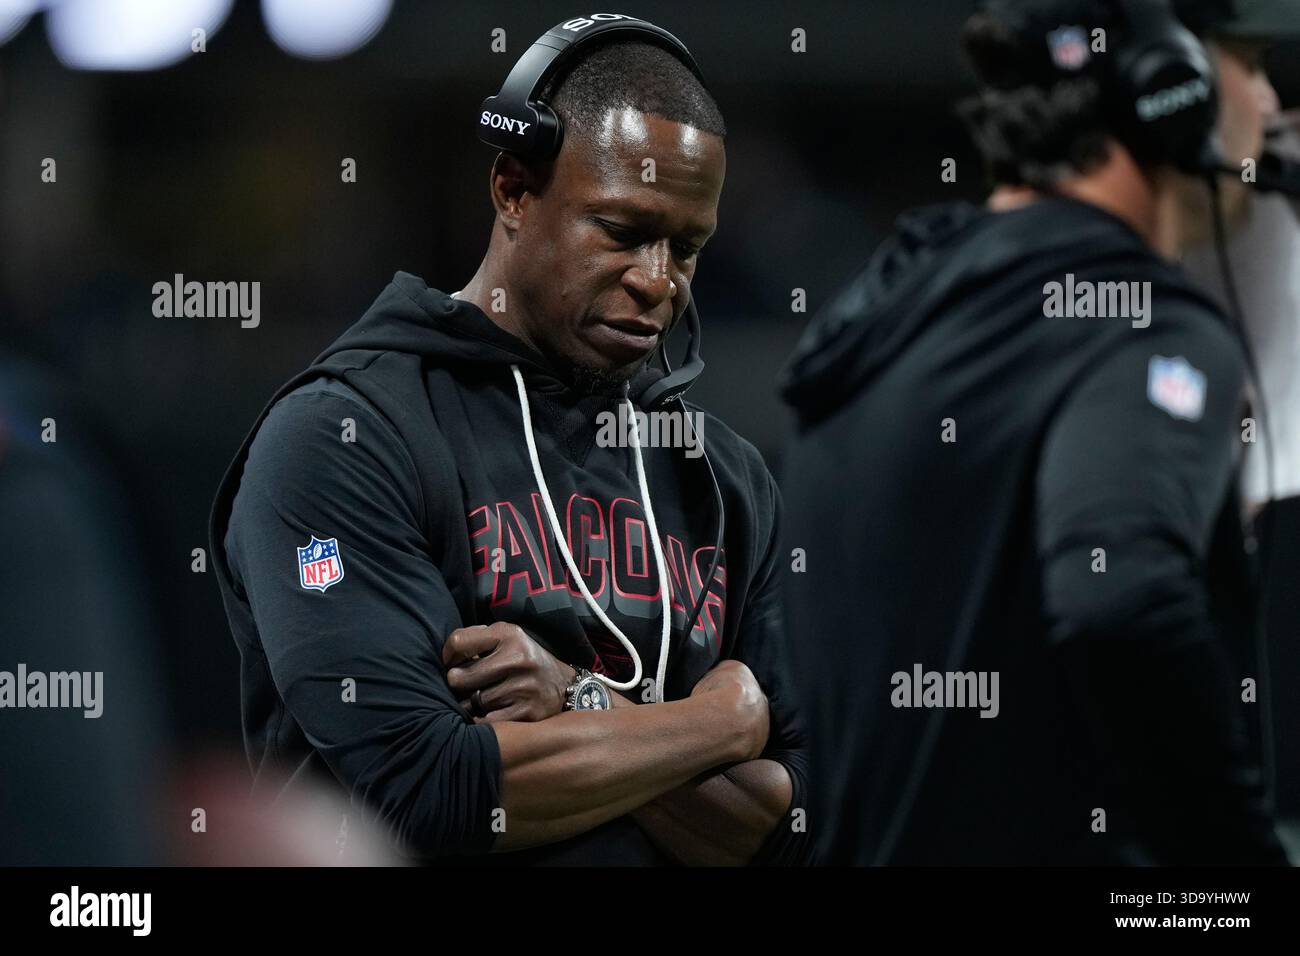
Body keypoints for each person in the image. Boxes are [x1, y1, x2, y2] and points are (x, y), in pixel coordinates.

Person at [209, 16, 807, 866]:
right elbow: (431, 792)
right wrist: (722, 721)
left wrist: (576, 698)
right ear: (513, 190)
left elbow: (796, 827)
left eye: (689, 247)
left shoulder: (723, 478)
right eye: (625, 231)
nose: (658, 281)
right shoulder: (341, 440)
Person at [778, 0, 1290, 864]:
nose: (1273, 105)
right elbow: (1122, 598)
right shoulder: (1147, 326)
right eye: (1250, 62)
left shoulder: (875, 326)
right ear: (1172, 86)